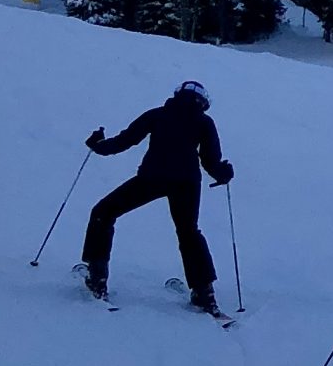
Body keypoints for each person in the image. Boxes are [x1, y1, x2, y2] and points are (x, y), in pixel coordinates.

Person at [80, 80, 233, 309]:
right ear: (202, 102)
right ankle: (204, 293)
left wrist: (98, 144)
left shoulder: (157, 115)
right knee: (188, 232)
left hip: (152, 178)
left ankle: (98, 278)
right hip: (187, 183)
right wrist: (223, 173)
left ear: (177, 95)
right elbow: (210, 160)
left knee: (103, 212)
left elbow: (124, 141)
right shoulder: (204, 122)